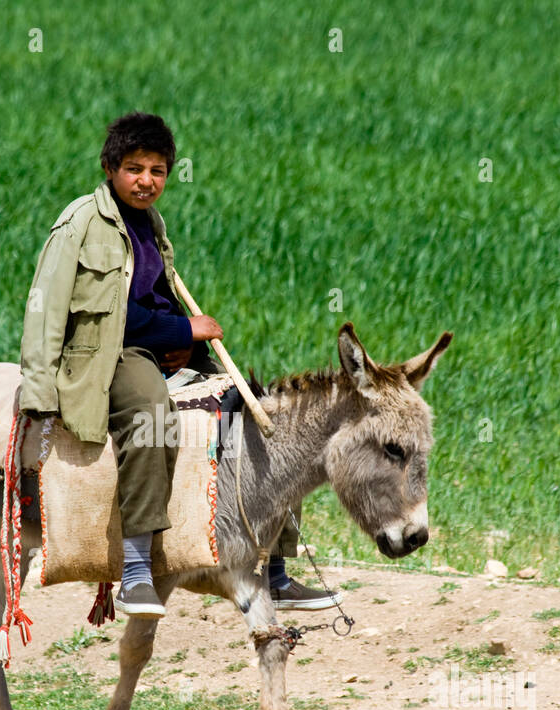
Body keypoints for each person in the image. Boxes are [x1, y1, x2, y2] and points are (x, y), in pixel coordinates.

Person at [19, 112, 335, 618]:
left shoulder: (151, 223)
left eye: (158, 170)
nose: (146, 180)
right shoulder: (79, 223)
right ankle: (138, 571)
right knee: (150, 411)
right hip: (108, 355)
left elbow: (157, 297)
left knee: (261, 411)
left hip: (161, 346)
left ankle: (275, 569)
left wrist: (187, 346)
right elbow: (52, 308)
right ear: (108, 167)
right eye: (133, 168)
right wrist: (183, 331)